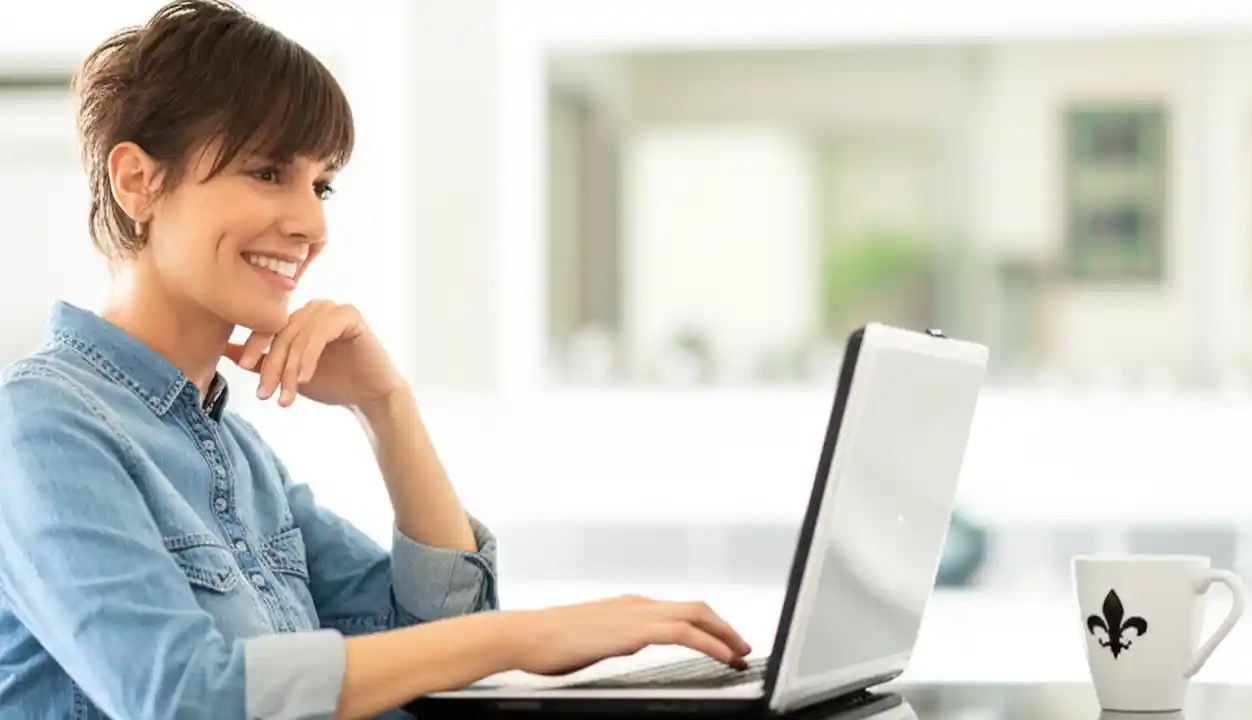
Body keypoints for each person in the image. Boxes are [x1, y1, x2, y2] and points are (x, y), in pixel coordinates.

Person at [0, 2, 751, 718]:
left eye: (321, 184)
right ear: (139, 181)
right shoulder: (41, 426)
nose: (311, 223)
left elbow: (435, 634)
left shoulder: (236, 454)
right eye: (268, 173)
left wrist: (386, 408)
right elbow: (188, 697)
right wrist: (532, 632)